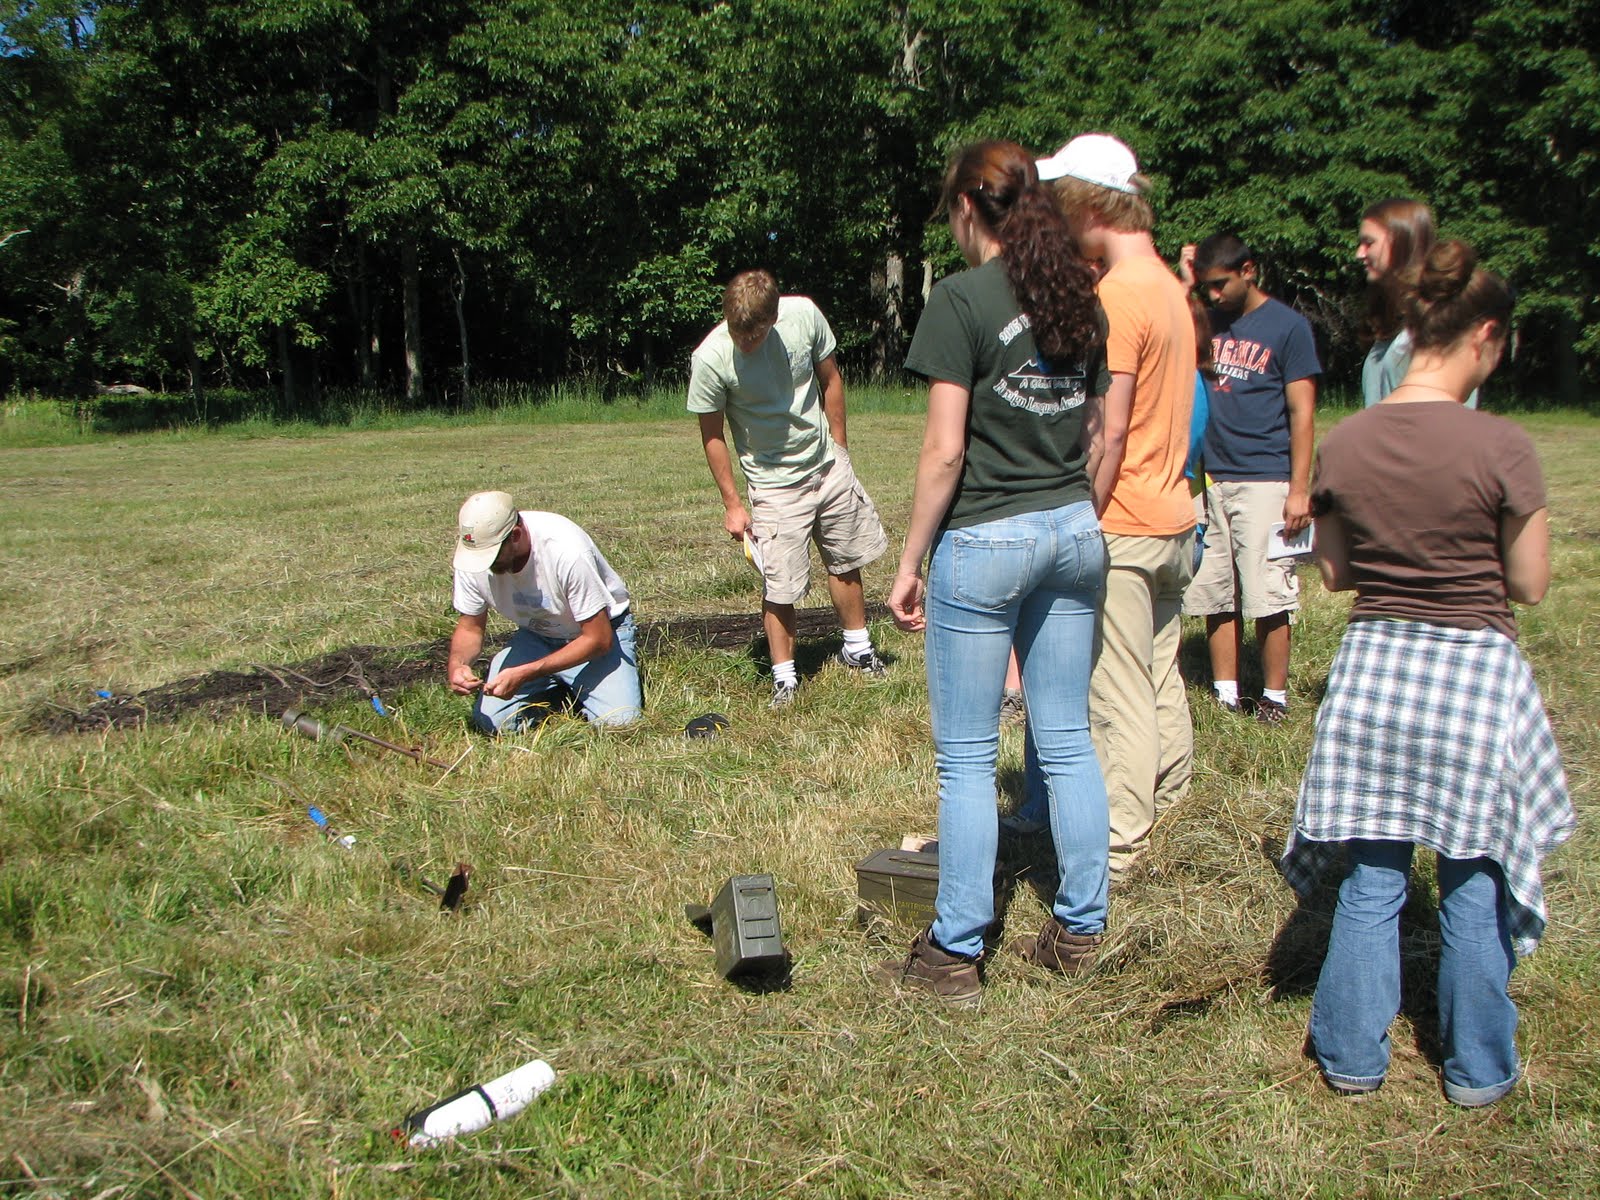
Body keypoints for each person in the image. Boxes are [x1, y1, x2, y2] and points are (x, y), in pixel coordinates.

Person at [1281, 241, 1574, 1107]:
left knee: (1372, 876)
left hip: (1376, 672)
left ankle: (1349, 1058)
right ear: (1482, 335)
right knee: (1473, 882)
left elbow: (1333, 576)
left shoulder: (1348, 441)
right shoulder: (1503, 445)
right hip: (1472, 676)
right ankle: (1479, 1069)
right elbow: (1529, 583)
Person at [879, 139, 1110, 1006]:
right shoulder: (1079, 299)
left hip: (986, 540)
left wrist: (909, 561)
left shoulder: (961, 300)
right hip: (1075, 534)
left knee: (969, 761)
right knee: (1067, 736)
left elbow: (944, 453)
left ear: (969, 211)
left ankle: (954, 952)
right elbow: (1095, 433)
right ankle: (1081, 927)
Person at [1043, 133, 1196, 877]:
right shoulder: (1169, 286)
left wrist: (1081, 518)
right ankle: (1174, 812)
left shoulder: (1118, 295)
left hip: (1126, 521)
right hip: (1173, 518)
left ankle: (1124, 848)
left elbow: (1110, 426)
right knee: (1161, 676)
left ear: (1086, 200)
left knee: (1119, 692)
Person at [687, 270, 889, 707]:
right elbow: (712, 433)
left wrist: (841, 449)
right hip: (773, 484)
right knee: (781, 585)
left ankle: (857, 648)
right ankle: (785, 678)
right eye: (738, 333)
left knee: (845, 558)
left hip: (826, 464)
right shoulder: (710, 358)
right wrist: (732, 504)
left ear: (774, 318)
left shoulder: (804, 316)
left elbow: (830, 379)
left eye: (753, 335)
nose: (744, 342)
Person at [1180, 234, 1320, 721]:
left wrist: (1299, 488)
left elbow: (1302, 412)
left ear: (1249, 270)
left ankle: (1274, 698)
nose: (1213, 295)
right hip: (1209, 477)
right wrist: (1184, 283)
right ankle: (1225, 691)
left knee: (1267, 593)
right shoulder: (1204, 321)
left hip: (1266, 476)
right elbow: (1166, 325)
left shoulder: (1288, 327)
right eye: (1206, 287)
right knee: (1215, 591)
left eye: (1220, 285)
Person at [446, 491, 643, 732]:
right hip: (537, 636)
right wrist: (458, 664)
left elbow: (599, 639)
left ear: (515, 535)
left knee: (620, 723)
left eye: (492, 557)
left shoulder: (567, 550)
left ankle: (560, 684)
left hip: (597, 636)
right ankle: (561, 689)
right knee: (493, 724)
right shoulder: (475, 555)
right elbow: (470, 627)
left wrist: (528, 672)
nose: (484, 565)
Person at [1356, 197, 1477, 409]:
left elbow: (1451, 423)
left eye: (1369, 243)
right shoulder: (1394, 321)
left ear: (1401, 242)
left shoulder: (1438, 325)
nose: (1360, 253)